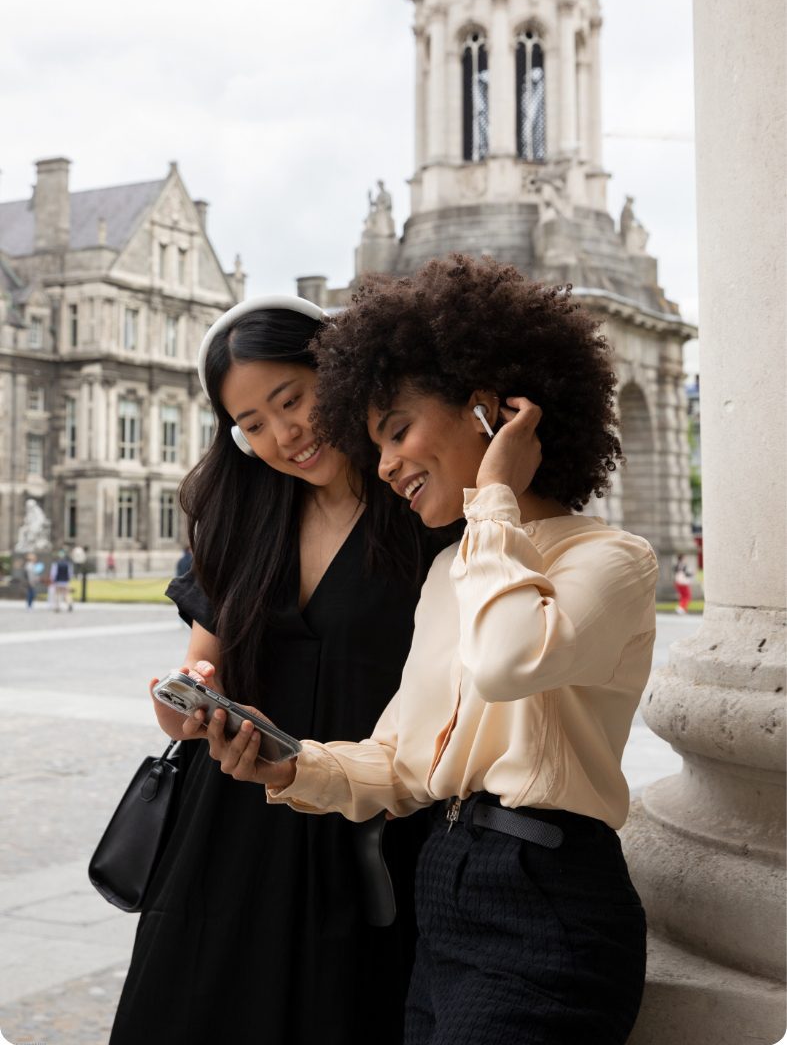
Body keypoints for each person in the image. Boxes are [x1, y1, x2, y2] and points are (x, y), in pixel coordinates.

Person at [204, 258, 659, 1045]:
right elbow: (403, 763)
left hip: (548, 894)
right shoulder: (453, 568)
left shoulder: (607, 559)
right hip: (444, 894)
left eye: (395, 431)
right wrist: (283, 763)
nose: (382, 466)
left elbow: (506, 660)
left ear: (488, 414)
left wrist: (493, 497)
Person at [109, 295, 450, 1045]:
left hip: (372, 829)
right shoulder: (239, 515)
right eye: (253, 423)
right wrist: (190, 704)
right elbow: (205, 669)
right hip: (228, 832)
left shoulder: (426, 512)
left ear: (341, 369)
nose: (283, 434)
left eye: (291, 399)